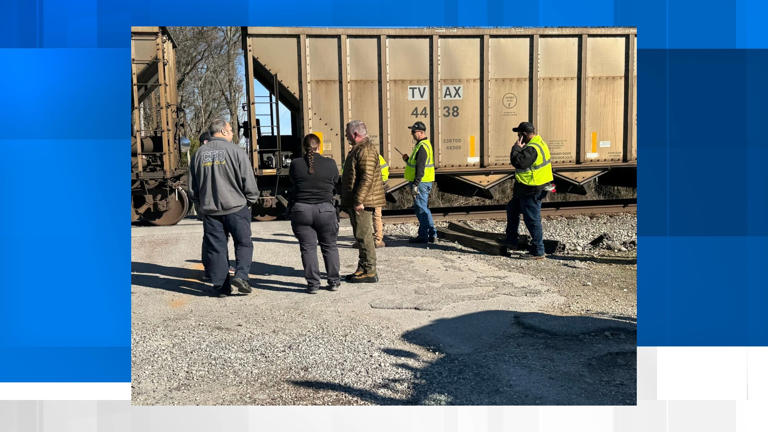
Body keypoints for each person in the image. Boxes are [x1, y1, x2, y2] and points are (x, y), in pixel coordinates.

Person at [189, 118, 259, 296]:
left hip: (210, 211)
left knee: (217, 249)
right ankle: (241, 275)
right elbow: (248, 179)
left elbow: (192, 187)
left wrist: (200, 206)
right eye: (230, 130)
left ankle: (221, 287)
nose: (233, 133)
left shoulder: (198, 154)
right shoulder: (236, 151)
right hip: (236, 207)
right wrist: (250, 200)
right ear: (222, 132)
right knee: (243, 243)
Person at [288, 133, 341, 294]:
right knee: (330, 246)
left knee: (308, 248)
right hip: (325, 209)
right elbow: (336, 184)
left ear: (304, 147)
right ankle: (333, 281)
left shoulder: (296, 164)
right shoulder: (330, 163)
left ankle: (313, 284)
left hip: (302, 210)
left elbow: (292, 184)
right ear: (319, 146)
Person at [341, 120, 386, 283]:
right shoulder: (360, 149)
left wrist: (359, 200)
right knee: (360, 235)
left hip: (363, 202)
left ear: (355, 134)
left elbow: (366, 178)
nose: (345, 135)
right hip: (359, 200)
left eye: (347, 133)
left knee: (364, 235)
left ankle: (370, 270)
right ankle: (363, 267)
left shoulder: (365, 150)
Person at [505, 121, 554, 260]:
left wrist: (515, 148)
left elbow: (518, 162)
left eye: (519, 134)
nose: (518, 136)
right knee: (512, 209)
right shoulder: (539, 143)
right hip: (528, 186)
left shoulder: (532, 149)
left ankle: (538, 251)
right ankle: (511, 240)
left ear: (524, 134)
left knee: (532, 219)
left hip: (532, 187)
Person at [403, 121, 436, 243]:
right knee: (424, 209)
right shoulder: (422, 145)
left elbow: (420, 168)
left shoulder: (422, 146)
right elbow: (416, 164)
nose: (412, 134)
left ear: (421, 133)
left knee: (421, 209)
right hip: (424, 181)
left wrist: (416, 184)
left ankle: (423, 236)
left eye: (414, 132)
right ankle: (432, 234)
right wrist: (407, 160)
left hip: (421, 183)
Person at [352, 154, 389, 249]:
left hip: (364, 191)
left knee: (362, 216)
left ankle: (361, 240)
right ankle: (378, 240)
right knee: (377, 216)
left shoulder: (357, 156)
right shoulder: (378, 157)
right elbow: (385, 173)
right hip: (377, 190)